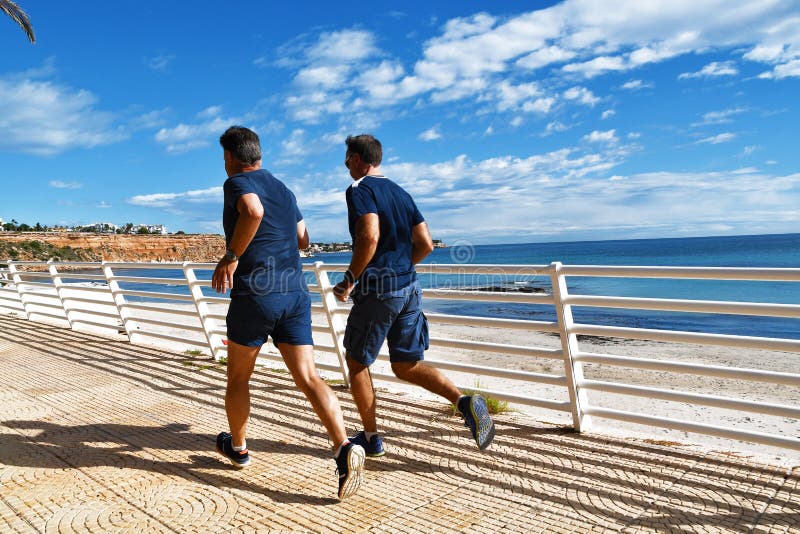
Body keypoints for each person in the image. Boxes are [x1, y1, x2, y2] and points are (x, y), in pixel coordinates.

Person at [211, 126, 364, 500]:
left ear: (230, 156)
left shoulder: (237, 183)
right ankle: (343, 448)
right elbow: (303, 239)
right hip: (294, 294)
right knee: (309, 377)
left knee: (238, 378)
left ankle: (240, 448)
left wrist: (231, 256)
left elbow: (253, 211)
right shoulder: (284, 188)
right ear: (259, 153)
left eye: (224, 157)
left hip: (255, 295)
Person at [333, 134, 495, 457]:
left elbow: (369, 235)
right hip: (409, 287)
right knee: (406, 364)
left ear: (360, 158)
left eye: (347, 158)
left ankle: (370, 437)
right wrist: (401, 267)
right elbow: (426, 243)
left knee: (356, 360)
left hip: (378, 290)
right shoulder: (401, 193)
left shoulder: (359, 190)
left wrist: (350, 279)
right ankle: (464, 402)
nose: (345, 164)